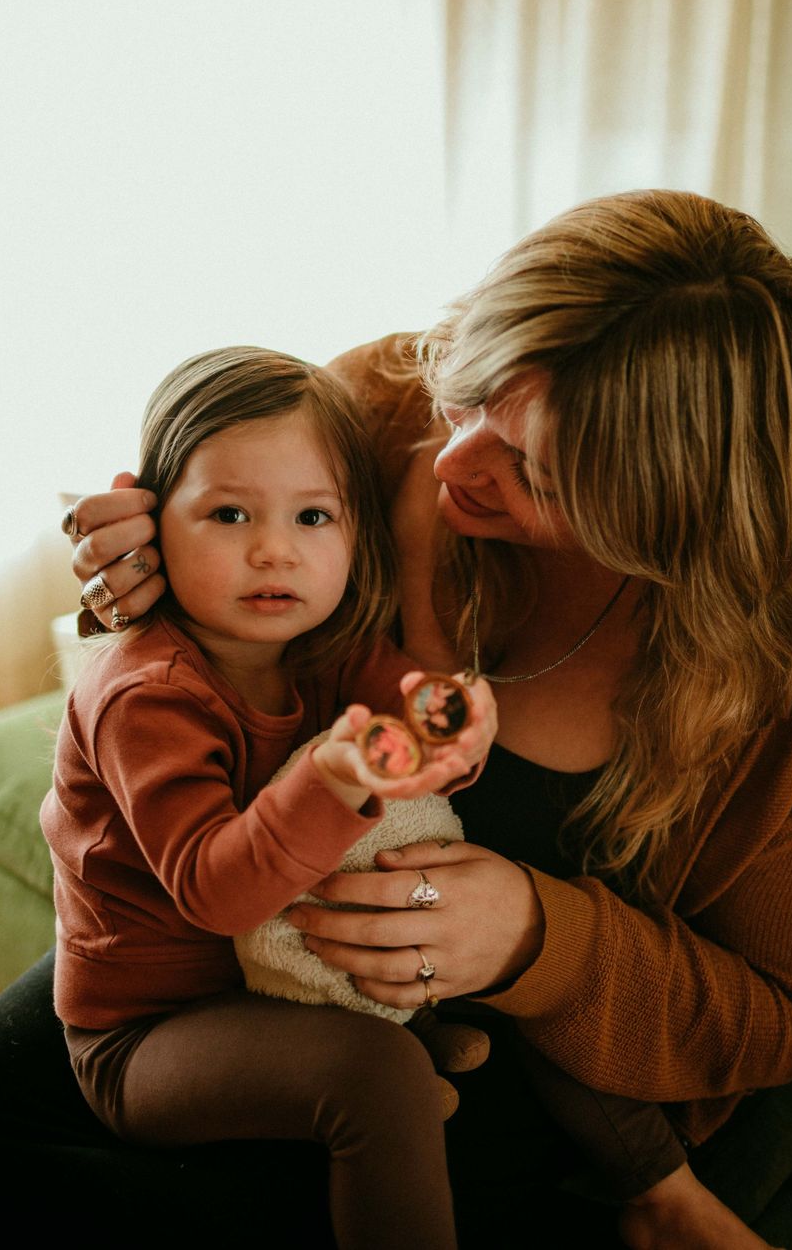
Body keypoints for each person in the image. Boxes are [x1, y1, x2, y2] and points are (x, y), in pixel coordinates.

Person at [0, 190, 792, 1249]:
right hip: (220, 963)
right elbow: (217, 568)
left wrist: (537, 935)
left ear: (662, 499)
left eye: (530, 466)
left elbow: (780, 1018)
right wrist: (138, 559)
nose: (453, 460)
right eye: (473, 391)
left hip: (481, 1053)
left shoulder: (784, 696)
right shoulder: (384, 405)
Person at [38, 345, 499, 1250]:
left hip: (278, 983)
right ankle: (396, 1066)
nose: (273, 548)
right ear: (148, 523)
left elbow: (416, 725)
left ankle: (404, 1042)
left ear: (355, 533)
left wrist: (454, 732)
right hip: (151, 1032)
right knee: (378, 1080)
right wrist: (331, 778)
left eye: (313, 515)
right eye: (228, 512)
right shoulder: (146, 694)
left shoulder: (329, 649)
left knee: (440, 913)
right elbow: (218, 893)